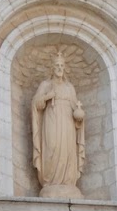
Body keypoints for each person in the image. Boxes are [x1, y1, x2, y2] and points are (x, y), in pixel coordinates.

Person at [31, 49, 85, 196]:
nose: (60, 69)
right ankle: (50, 181)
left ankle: (68, 181)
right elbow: (36, 105)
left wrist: (79, 116)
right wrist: (48, 96)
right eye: (57, 66)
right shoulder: (46, 85)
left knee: (67, 148)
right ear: (52, 68)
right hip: (51, 120)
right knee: (52, 147)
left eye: (62, 66)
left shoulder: (69, 87)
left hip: (67, 122)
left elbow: (75, 107)